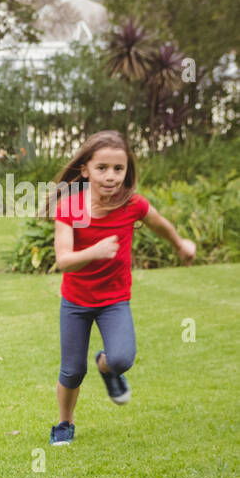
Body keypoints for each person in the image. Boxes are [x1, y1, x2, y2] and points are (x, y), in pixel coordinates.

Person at [49, 130, 195, 445]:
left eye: (119, 168)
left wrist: (180, 244)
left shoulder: (133, 205)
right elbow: (63, 259)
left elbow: (160, 224)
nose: (111, 176)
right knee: (72, 370)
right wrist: (95, 251)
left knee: (121, 359)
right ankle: (64, 423)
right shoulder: (70, 207)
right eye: (102, 168)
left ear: (127, 170)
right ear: (85, 169)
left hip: (114, 300)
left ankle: (106, 366)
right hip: (75, 302)